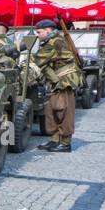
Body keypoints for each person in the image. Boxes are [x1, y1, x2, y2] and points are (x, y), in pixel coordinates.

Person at [34, 18, 82, 153]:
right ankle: (54, 140)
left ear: (48, 31)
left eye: (39, 32)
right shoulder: (52, 41)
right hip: (57, 81)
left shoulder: (54, 42)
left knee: (64, 111)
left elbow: (38, 59)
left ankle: (66, 143)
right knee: (51, 110)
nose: (37, 35)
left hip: (65, 81)